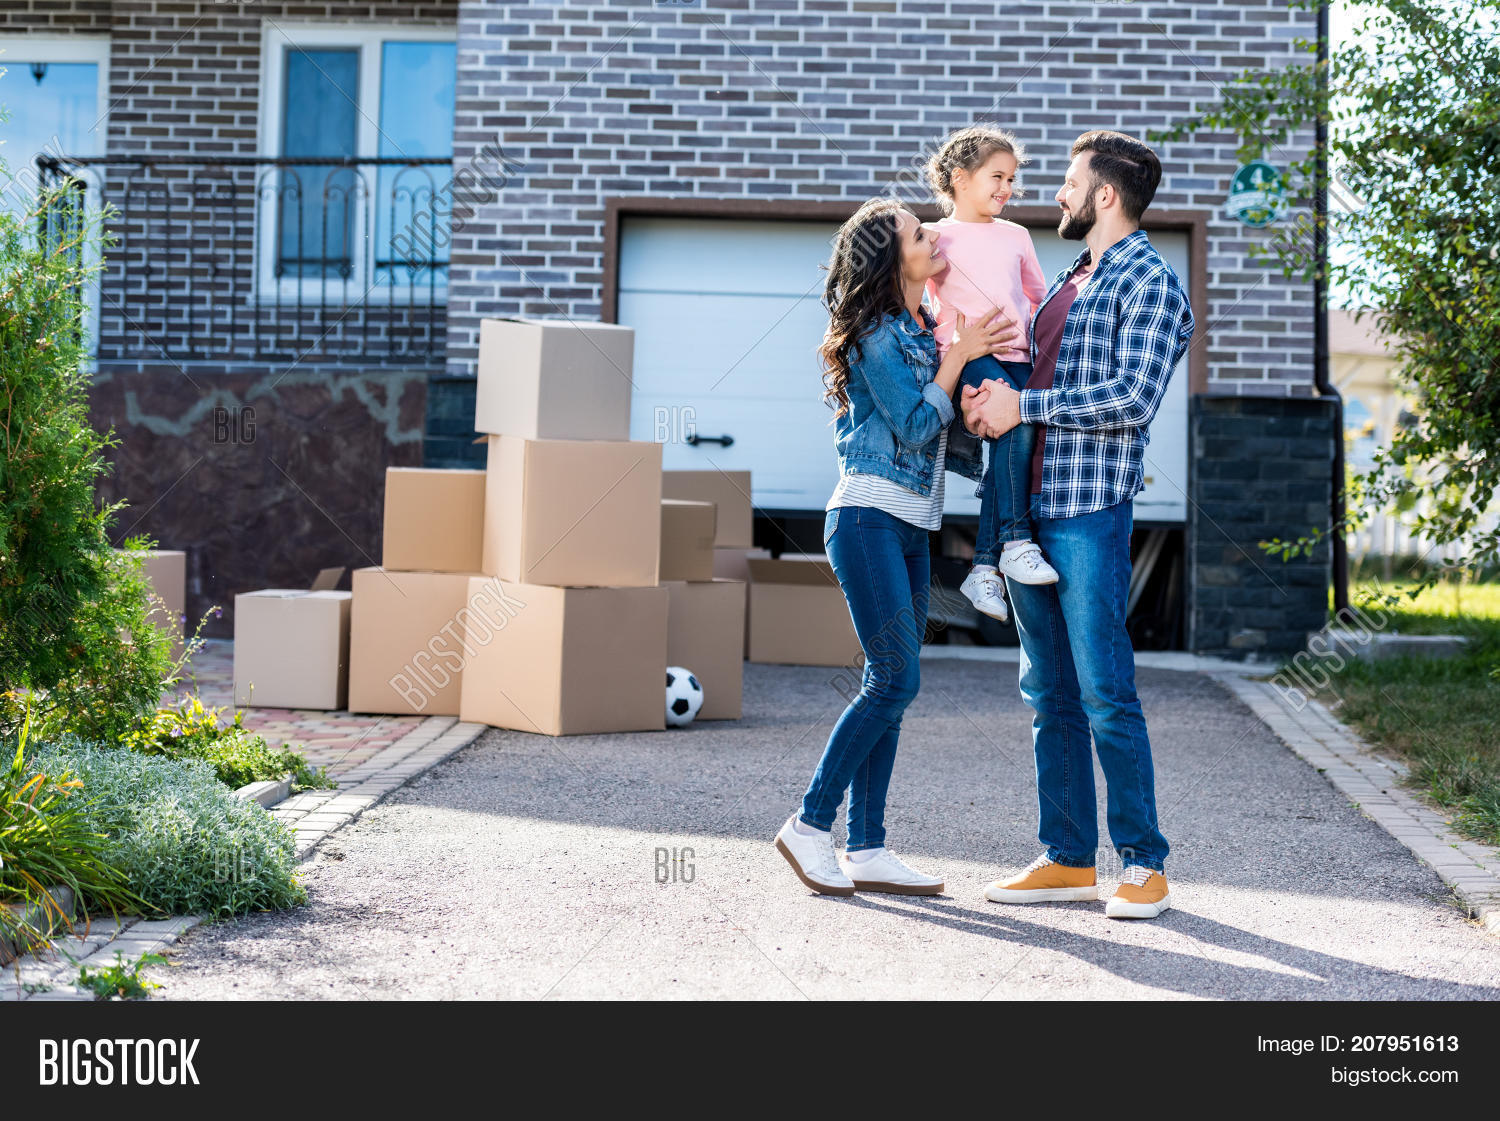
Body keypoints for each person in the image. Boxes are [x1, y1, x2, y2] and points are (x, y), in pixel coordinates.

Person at [963, 130, 1194, 920]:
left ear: (1104, 195)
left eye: (1067, 182)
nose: (1054, 195)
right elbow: (1025, 379)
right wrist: (987, 402)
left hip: (1088, 509)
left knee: (1104, 689)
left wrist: (1024, 405)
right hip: (1026, 512)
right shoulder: (1068, 277)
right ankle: (1067, 856)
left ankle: (1143, 863)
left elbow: (1131, 399)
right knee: (1047, 691)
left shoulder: (1152, 283)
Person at [775, 196, 1016, 896]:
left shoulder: (922, 329)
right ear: (892, 258)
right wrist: (961, 358)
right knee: (893, 677)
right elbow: (913, 425)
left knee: (896, 683)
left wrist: (983, 410)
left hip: (912, 524)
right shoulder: (876, 334)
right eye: (919, 232)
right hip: (868, 519)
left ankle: (869, 845)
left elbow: (942, 439)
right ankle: (811, 823)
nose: (933, 236)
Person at [923, 125, 1058, 625]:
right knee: (1013, 431)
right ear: (960, 178)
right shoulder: (935, 237)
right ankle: (1016, 543)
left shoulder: (1017, 236)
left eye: (1012, 179)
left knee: (1013, 444)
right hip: (970, 355)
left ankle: (983, 567)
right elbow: (911, 291)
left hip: (1018, 355)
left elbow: (1037, 298)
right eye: (996, 176)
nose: (1007, 187)